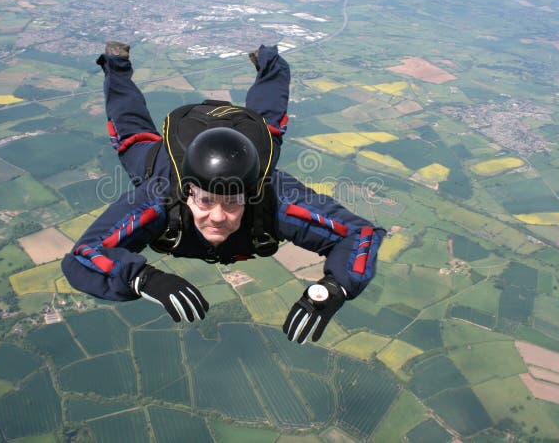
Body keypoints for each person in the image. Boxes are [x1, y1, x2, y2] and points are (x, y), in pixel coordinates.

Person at [61, 42, 386, 344]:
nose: (218, 216)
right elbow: (83, 257)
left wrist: (335, 288)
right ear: (187, 192)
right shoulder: (160, 194)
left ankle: (269, 58)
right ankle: (116, 65)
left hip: (244, 155)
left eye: (232, 201)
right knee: (131, 135)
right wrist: (145, 280)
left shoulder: (272, 195)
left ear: (250, 195)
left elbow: (361, 234)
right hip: (168, 164)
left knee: (265, 130)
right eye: (205, 200)